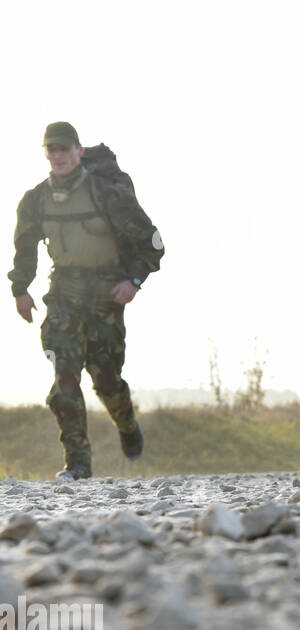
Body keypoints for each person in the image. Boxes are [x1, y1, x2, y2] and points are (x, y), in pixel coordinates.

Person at [8, 122, 161, 480]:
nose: (59, 156)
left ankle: (125, 422)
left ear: (79, 151)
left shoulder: (108, 194)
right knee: (64, 374)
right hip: (63, 294)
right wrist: (20, 289)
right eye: (52, 150)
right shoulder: (35, 200)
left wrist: (134, 281)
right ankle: (77, 462)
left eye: (65, 149)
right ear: (45, 153)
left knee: (106, 379)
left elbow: (153, 245)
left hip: (107, 294)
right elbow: (25, 249)